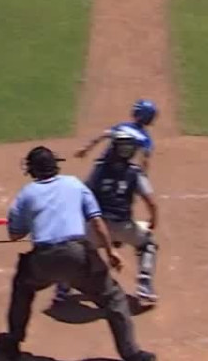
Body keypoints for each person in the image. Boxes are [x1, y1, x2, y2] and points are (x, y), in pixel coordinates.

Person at [0, 146, 157, 361]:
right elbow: (97, 221)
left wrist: (32, 223)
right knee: (113, 298)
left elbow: (14, 234)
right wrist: (110, 251)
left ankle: (13, 341)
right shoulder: (74, 184)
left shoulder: (26, 194)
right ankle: (132, 354)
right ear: (55, 165)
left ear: (32, 170)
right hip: (78, 256)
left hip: (43, 260)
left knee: (22, 287)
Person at [54, 129, 161, 306]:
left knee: (74, 248)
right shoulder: (135, 173)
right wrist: (153, 220)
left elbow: (84, 195)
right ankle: (144, 284)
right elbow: (151, 203)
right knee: (148, 243)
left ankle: (63, 287)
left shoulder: (99, 169)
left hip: (97, 228)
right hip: (124, 227)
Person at [75, 99, 158, 171]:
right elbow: (145, 160)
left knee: (91, 183)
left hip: (105, 164)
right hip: (124, 170)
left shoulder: (123, 126)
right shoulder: (145, 137)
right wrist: (143, 174)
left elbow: (103, 135)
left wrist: (86, 148)